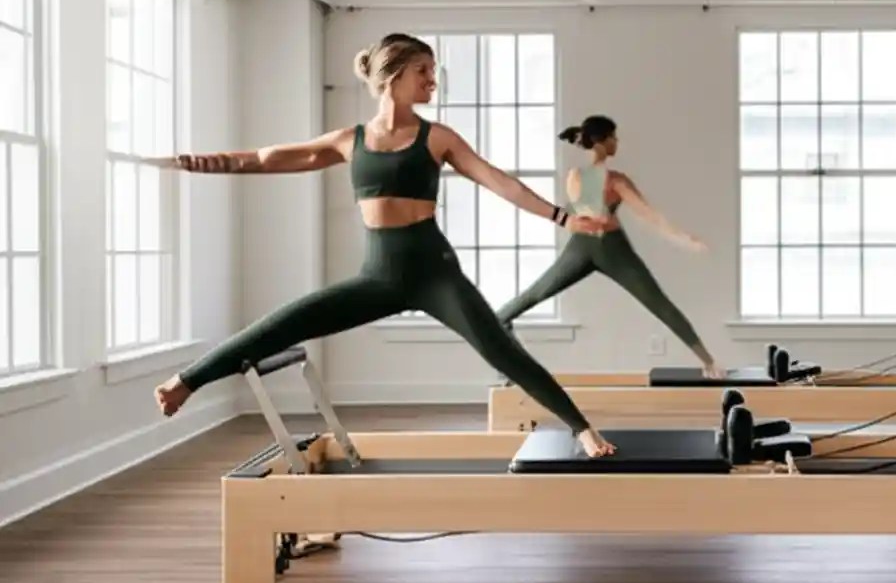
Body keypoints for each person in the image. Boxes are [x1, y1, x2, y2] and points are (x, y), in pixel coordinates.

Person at [149, 33, 617, 458]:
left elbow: (498, 181)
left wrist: (561, 216)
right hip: (379, 277)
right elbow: (265, 159)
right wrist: (192, 162)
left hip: (435, 273)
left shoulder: (438, 138)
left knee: (501, 349)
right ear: (394, 74)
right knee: (289, 320)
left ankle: (582, 429)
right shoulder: (350, 141)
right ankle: (187, 380)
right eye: (424, 72)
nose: (433, 82)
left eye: (434, 74)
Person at [496, 115, 725, 379]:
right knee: (658, 303)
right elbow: (649, 216)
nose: (617, 142)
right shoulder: (615, 181)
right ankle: (709, 363)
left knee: (537, 293)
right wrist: (687, 240)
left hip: (589, 246)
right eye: (613, 137)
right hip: (604, 248)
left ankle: (499, 322)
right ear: (602, 142)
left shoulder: (578, 177)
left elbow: (589, 211)